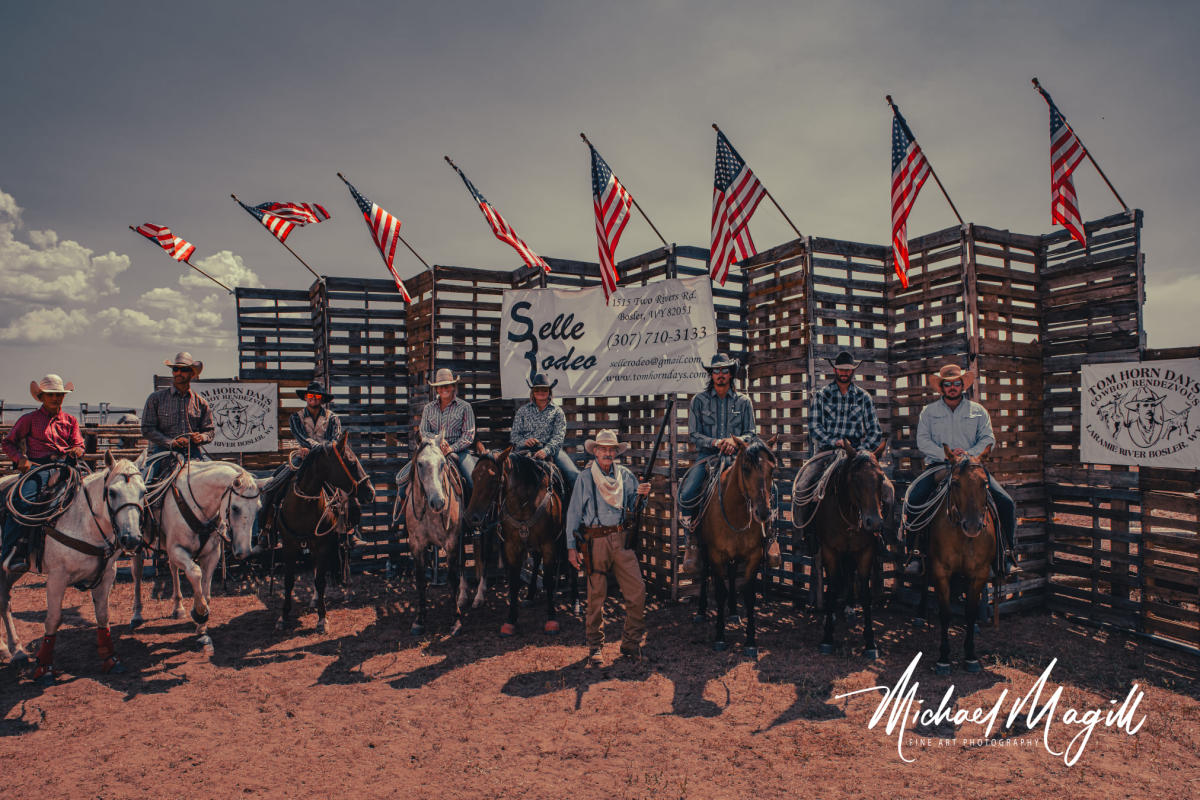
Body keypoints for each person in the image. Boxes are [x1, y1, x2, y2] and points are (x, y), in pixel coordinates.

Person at [901, 363, 1018, 575]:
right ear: (942, 387)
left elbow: (988, 438)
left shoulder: (978, 411)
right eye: (948, 384)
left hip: (972, 467)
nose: (953, 387)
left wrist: (968, 454)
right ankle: (915, 553)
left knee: (1006, 503)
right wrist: (947, 455)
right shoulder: (929, 412)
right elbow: (923, 441)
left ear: (962, 385)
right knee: (915, 499)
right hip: (940, 466)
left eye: (956, 383)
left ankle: (1006, 555)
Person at [677, 353, 768, 575]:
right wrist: (717, 442)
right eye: (716, 371)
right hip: (708, 456)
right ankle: (692, 541)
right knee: (687, 494)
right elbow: (694, 434)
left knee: (769, 489)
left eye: (724, 371)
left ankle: (770, 537)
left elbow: (752, 433)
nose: (720, 375)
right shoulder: (698, 401)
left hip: (738, 458)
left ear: (730, 374)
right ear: (711, 374)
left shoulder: (743, 401)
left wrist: (735, 442)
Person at [565, 430, 651, 664]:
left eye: (611, 449)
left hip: (621, 539)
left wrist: (643, 495)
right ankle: (595, 647)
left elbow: (634, 505)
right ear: (595, 452)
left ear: (615, 452)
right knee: (596, 597)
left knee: (637, 591)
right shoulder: (585, 478)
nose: (607, 453)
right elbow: (573, 514)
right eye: (603, 449)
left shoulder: (625, 476)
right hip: (595, 542)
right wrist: (572, 547)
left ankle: (631, 643)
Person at [792, 350, 885, 539]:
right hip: (827, 452)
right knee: (802, 486)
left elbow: (875, 431)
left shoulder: (863, 397)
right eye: (841, 369)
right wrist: (834, 441)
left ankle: (884, 535)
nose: (844, 373)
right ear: (834, 369)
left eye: (848, 370)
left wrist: (860, 450)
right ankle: (805, 534)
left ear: (853, 371)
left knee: (887, 490)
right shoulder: (822, 395)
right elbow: (815, 428)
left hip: (857, 455)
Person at [1, 375, 86, 572]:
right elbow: (8, 442)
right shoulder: (28, 420)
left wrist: (78, 450)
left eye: (59, 394)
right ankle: (13, 553)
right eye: (51, 395)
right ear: (42, 397)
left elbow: (79, 444)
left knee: (92, 498)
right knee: (22, 503)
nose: (56, 398)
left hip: (67, 467)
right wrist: (20, 459)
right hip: (38, 468)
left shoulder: (70, 420)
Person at [396, 369, 478, 508]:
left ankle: (472, 517)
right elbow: (424, 431)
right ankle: (402, 514)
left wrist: (451, 448)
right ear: (436, 389)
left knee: (472, 480)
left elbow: (468, 435)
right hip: (432, 450)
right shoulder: (429, 408)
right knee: (403, 479)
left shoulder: (465, 407)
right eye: (440, 386)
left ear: (453, 386)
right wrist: (437, 441)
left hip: (458, 451)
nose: (443, 389)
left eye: (446, 385)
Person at [141, 351, 214, 462]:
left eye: (183, 370)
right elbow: (147, 429)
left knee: (214, 475)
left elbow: (209, 431)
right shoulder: (156, 399)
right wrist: (170, 442)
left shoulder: (201, 403)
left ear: (192, 374)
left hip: (193, 454)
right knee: (148, 478)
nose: (179, 373)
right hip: (163, 452)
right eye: (176, 369)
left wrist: (201, 437)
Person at [510, 373, 578, 488]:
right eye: (537, 390)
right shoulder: (523, 411)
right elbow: (514, 435)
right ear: (533, 392)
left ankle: (573, 506)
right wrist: (524, 442)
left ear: (549, 392)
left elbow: (559, 437)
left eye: (544, 389)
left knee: (574, 476)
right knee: (503, 474)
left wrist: (546, 450)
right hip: (524, 450)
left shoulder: (557, 412)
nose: (540, 392)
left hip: (551, 451)